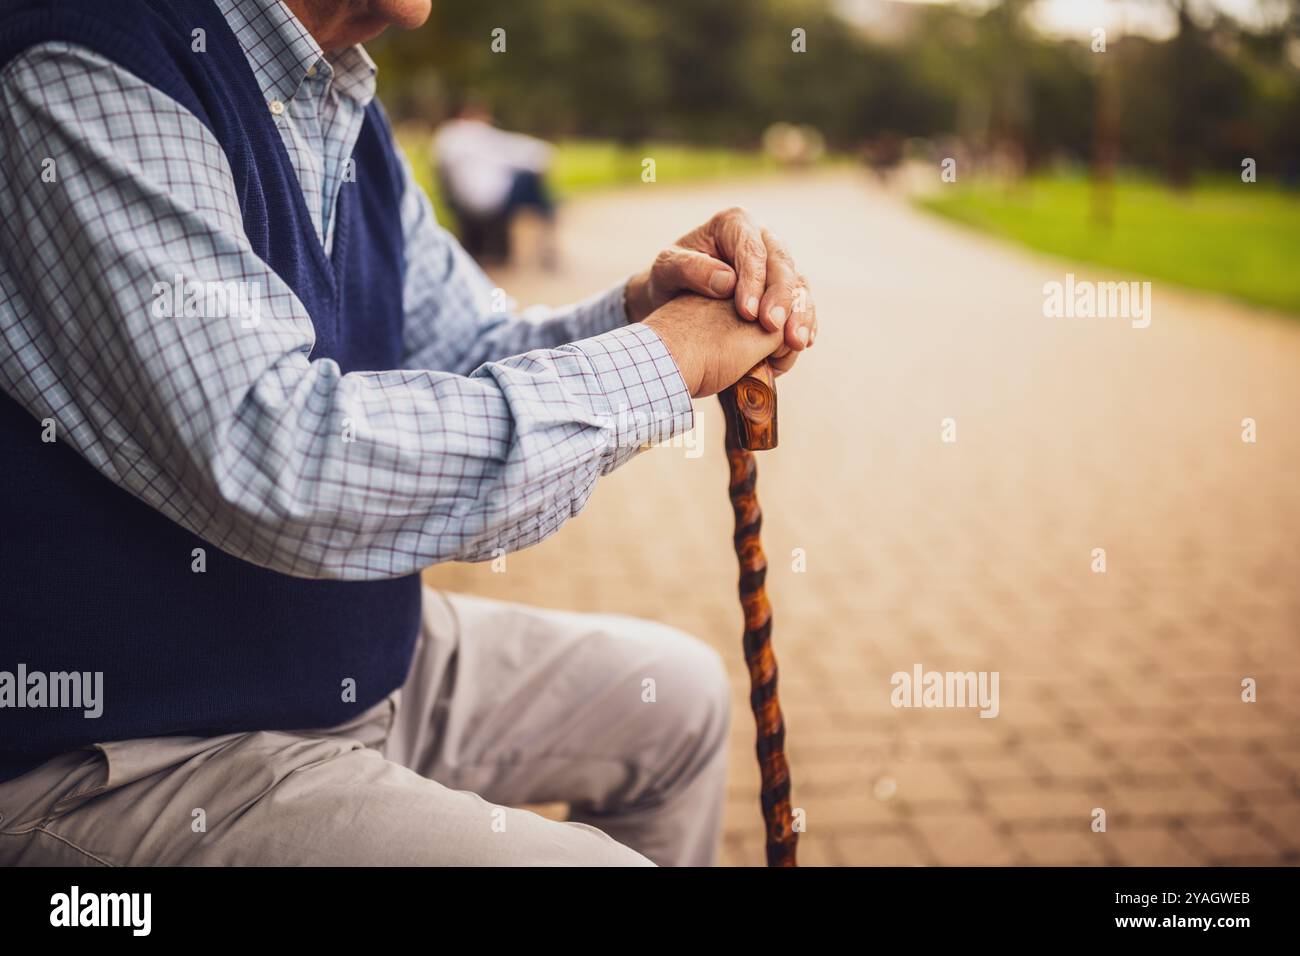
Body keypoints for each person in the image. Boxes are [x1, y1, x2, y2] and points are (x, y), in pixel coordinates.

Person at [0, 0, 816, 867]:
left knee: (678, 700)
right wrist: (666, 362)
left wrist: (641, 312)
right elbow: (280, 454)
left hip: (342, 668)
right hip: (131, 755)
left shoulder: (336, 97)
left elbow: (467, 346)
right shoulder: (87, 62)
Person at [434, 97, 557, 266]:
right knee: (531, 179)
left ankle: (544, 240)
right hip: (493, 199)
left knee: (519, 177)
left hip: (460, 203)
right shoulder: (479, 133)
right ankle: (547, 240)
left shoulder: (445, 137)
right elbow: (540, 154)